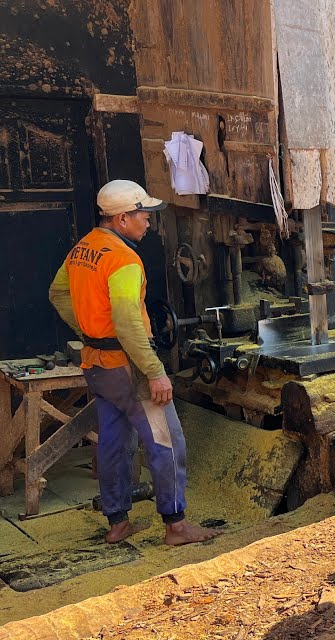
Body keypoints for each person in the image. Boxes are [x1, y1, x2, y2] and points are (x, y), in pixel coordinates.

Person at [48, 180, 221, 546]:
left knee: (113, 439)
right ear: (123, 218)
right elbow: (127, 321)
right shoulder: (123, 259)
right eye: (144, 214)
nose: (148, 222)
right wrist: (155, 371)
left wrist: (90, 331)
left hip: (96, 363)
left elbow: (58, 292)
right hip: (128, 366)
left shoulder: (84, 248)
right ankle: (176, 526)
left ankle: (118, 523)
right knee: (166, 440)